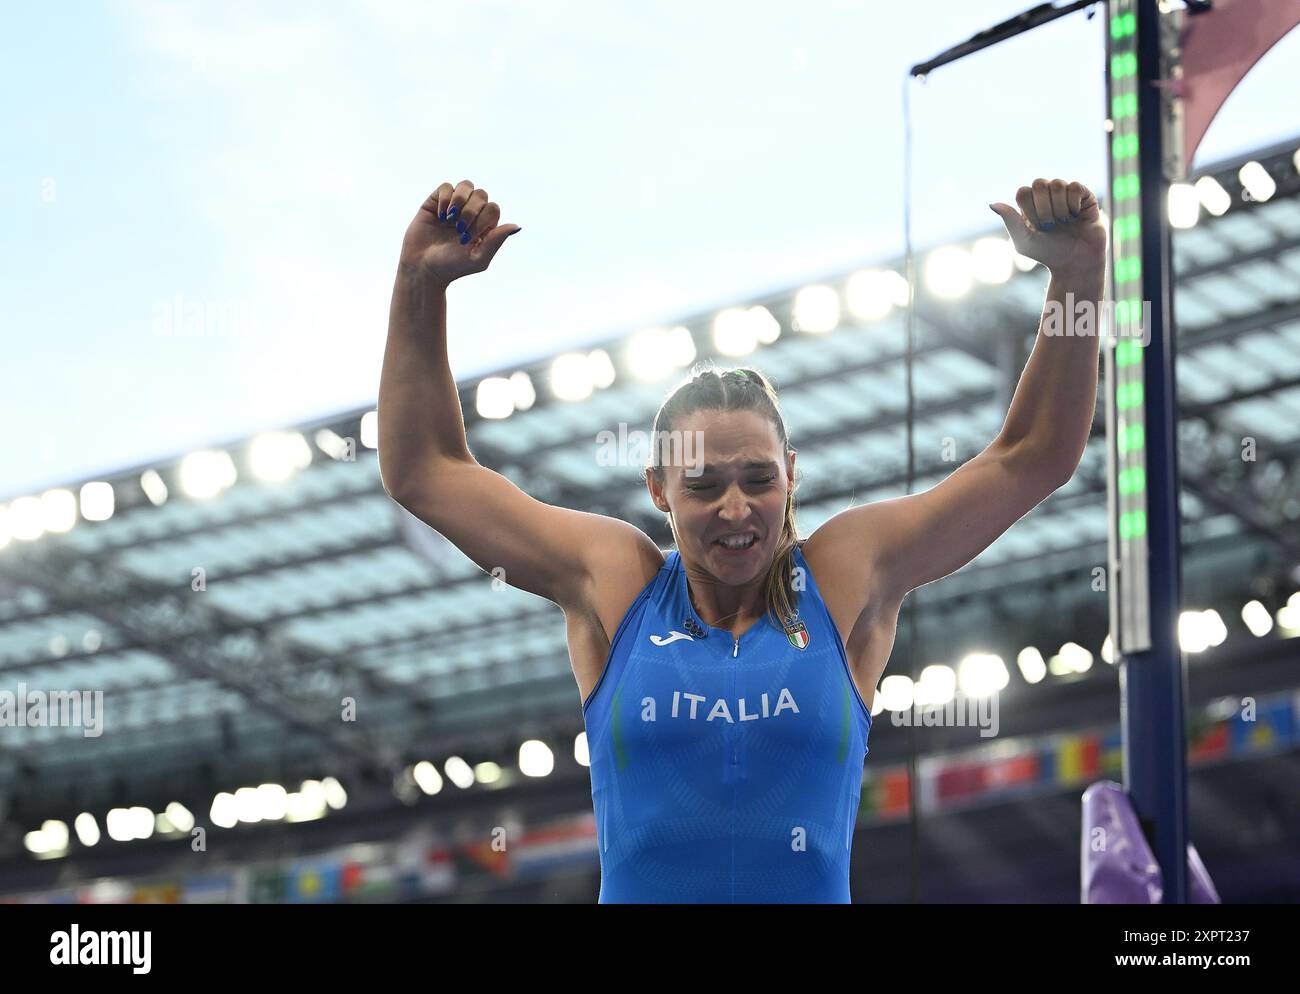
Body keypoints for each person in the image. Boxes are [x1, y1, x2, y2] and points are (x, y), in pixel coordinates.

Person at [378, 177, 1107, 902]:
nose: (736, 510)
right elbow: (426, 472)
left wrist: (1076, 275)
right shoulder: (616, 579)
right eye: (703, 486)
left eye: (758, 479)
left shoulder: (846, 572)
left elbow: (1032, 457)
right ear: (657, 489)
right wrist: (420, 283)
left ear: (792, 475)